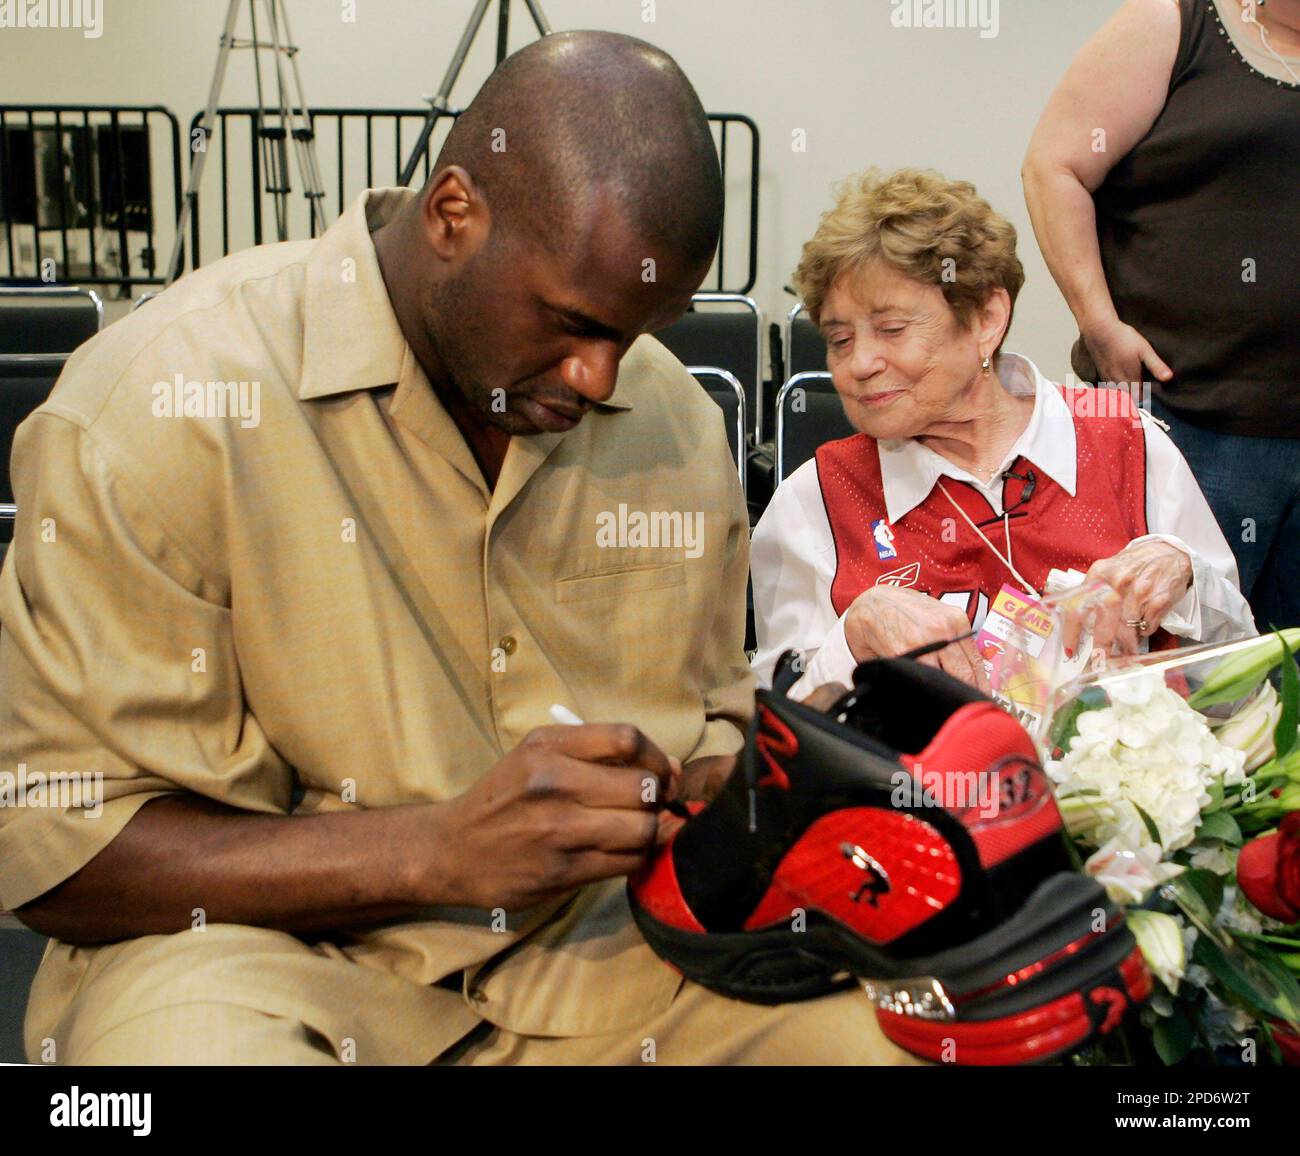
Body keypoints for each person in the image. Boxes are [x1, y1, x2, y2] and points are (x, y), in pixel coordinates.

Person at [0, 33, 921, 1064]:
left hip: (620, 953)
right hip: (259, 964)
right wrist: (437, 850)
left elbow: (707, 726)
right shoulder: (160, 406)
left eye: (642, 328)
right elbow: (64, 858)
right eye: (573, 321)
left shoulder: (670, 414)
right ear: (452, 214)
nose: (598, 377)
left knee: (898, 1039)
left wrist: (741, 788)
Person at [751, 168, 1254, 698]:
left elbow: (1242, 676)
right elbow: (780, 729)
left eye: (892, 329)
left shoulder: (1126, 443)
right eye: (840, 338)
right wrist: (853, 638)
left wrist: (1183, 575)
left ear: (987, 317)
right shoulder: (817, 501)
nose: (860, 363)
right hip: (913, 783)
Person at [1022, 0, 1300, 629]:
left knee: (1290, 695)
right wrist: (1100, 323)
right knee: (1172, 666)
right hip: (1188, 418)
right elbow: (1055, 166)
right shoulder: (1176, 24)